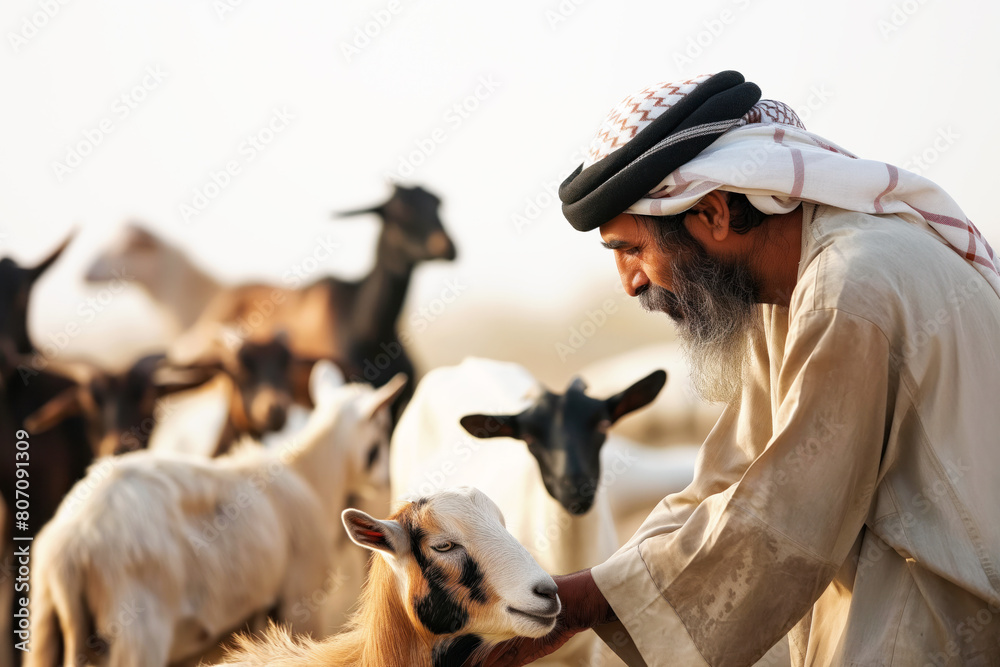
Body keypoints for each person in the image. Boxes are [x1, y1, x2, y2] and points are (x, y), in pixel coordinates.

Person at [477, 71, 1000, 666]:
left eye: (631, 249)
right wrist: (579, 595)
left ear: (714, 213)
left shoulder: (848, 287)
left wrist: (578, 606)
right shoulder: (792, 291)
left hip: (948, 619)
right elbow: (730, 480)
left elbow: (786, 511)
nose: (628, 283)